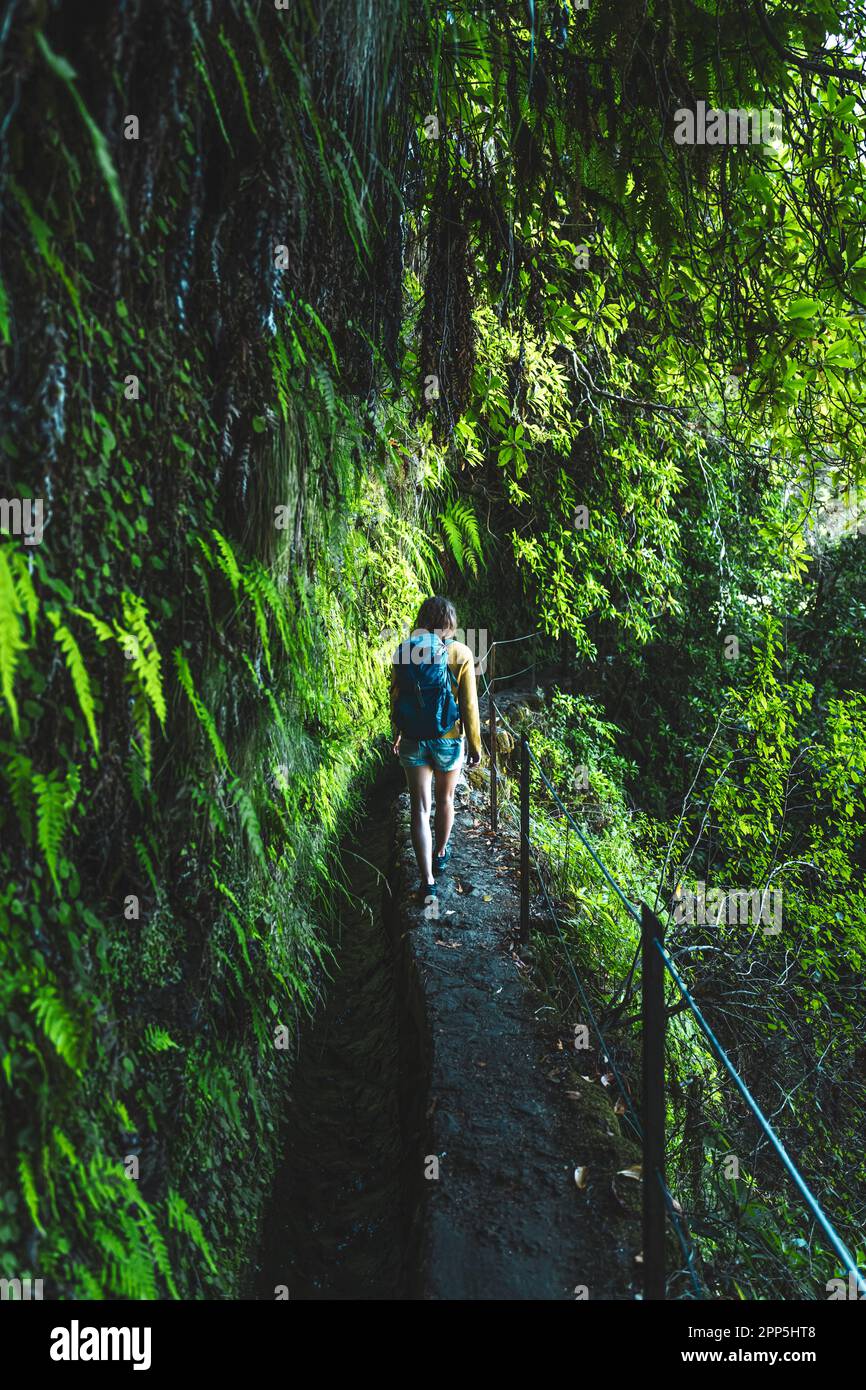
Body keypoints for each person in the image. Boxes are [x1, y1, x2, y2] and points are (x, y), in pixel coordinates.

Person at [390, 596, 482, 905]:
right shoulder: (460, 652)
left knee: (419, 808)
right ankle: (440, 853)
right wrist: (475, 743)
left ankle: (427, 881)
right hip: (448, 738)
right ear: (449, 624)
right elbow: (469, 705)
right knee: (445, 799)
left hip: (413, 738)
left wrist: (398, 733)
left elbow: (396, 696)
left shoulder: (404, 650)